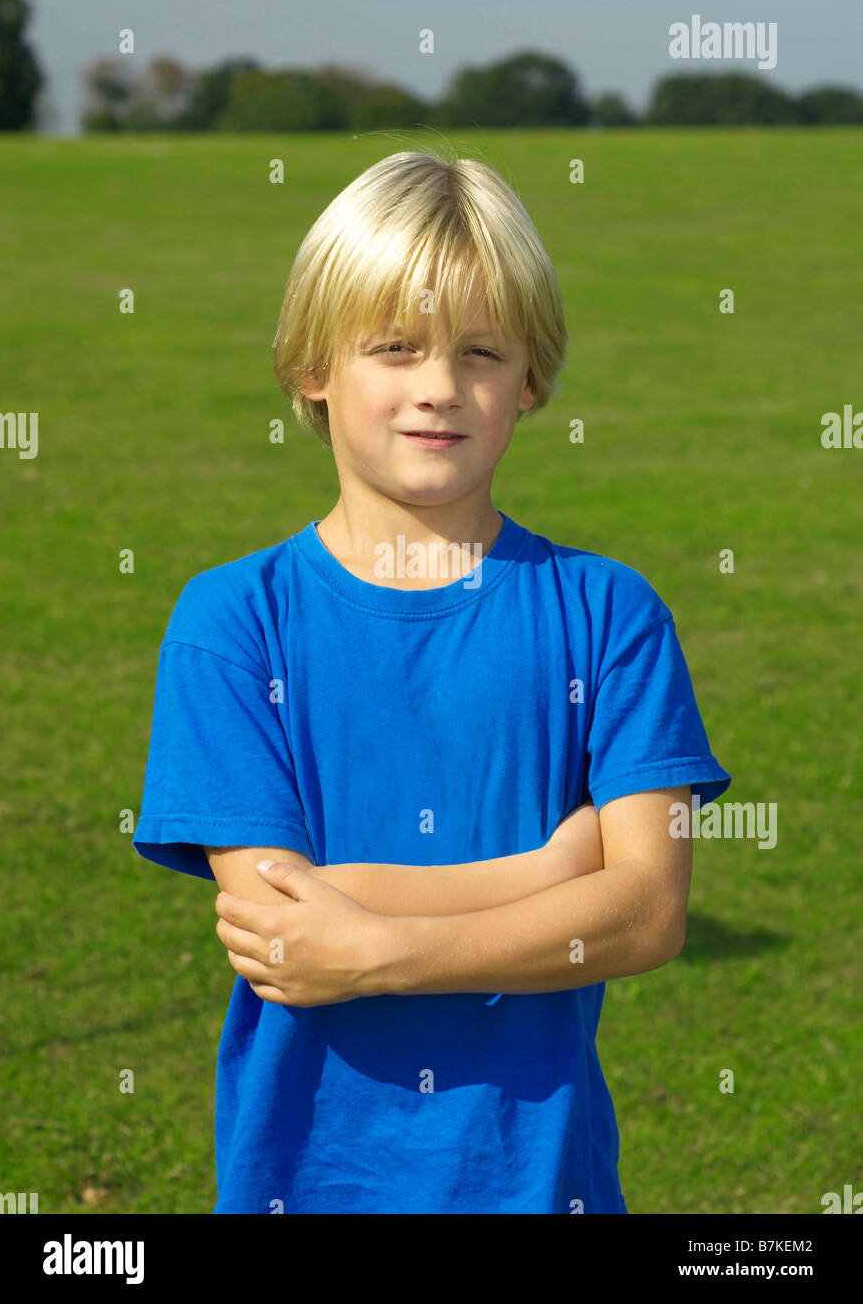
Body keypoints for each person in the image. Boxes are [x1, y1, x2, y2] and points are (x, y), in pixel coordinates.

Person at [133, 149, 731, 1214]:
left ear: (532, 378)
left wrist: (375, 949)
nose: (439, 388)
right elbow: (277, 923)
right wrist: (554, 868)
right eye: (394, 347)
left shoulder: (609, 612)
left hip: (542, 1185)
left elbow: (647, 914)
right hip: (303, 1183)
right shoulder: (230, 622)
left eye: (482, 351)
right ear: (312, 366)